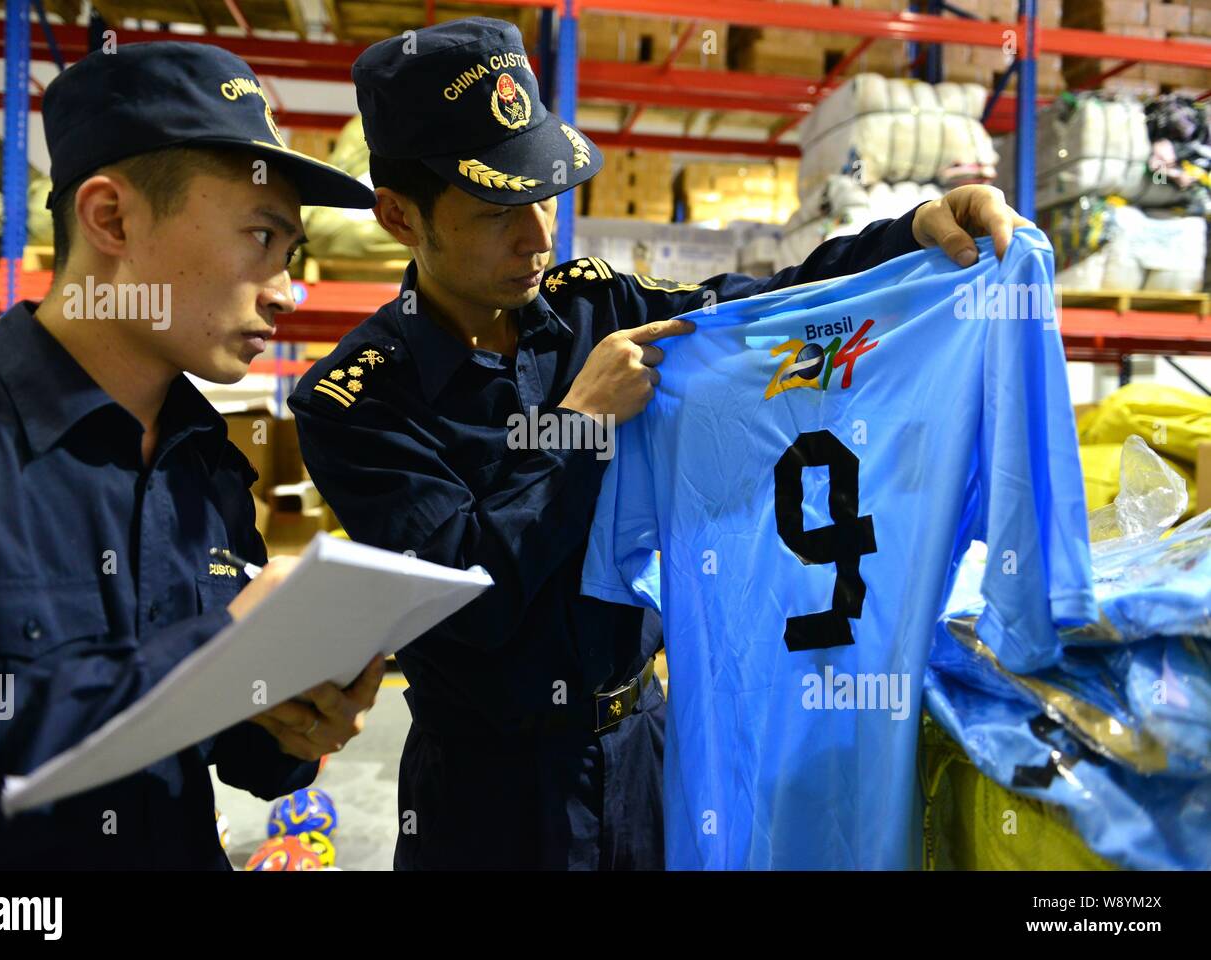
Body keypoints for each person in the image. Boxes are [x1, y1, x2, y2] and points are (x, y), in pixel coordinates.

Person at [289, 17, 1035, 870]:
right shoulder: (358, 397)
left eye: (544, 196)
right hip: (488, 794)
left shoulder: (598, 307)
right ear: (398, 216)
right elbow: (467, 594)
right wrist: (579, 427)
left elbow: (764, 309)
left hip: (647, 757)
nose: (539, 237)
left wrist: (912, 233)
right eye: (500, 210)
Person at [0, 41, 385, 869]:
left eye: (293, 254)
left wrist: (299, 717)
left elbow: (242, 760)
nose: (286, 289)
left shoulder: (207, 465)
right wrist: (203, 664)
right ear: (112, 218)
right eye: (261, 236)